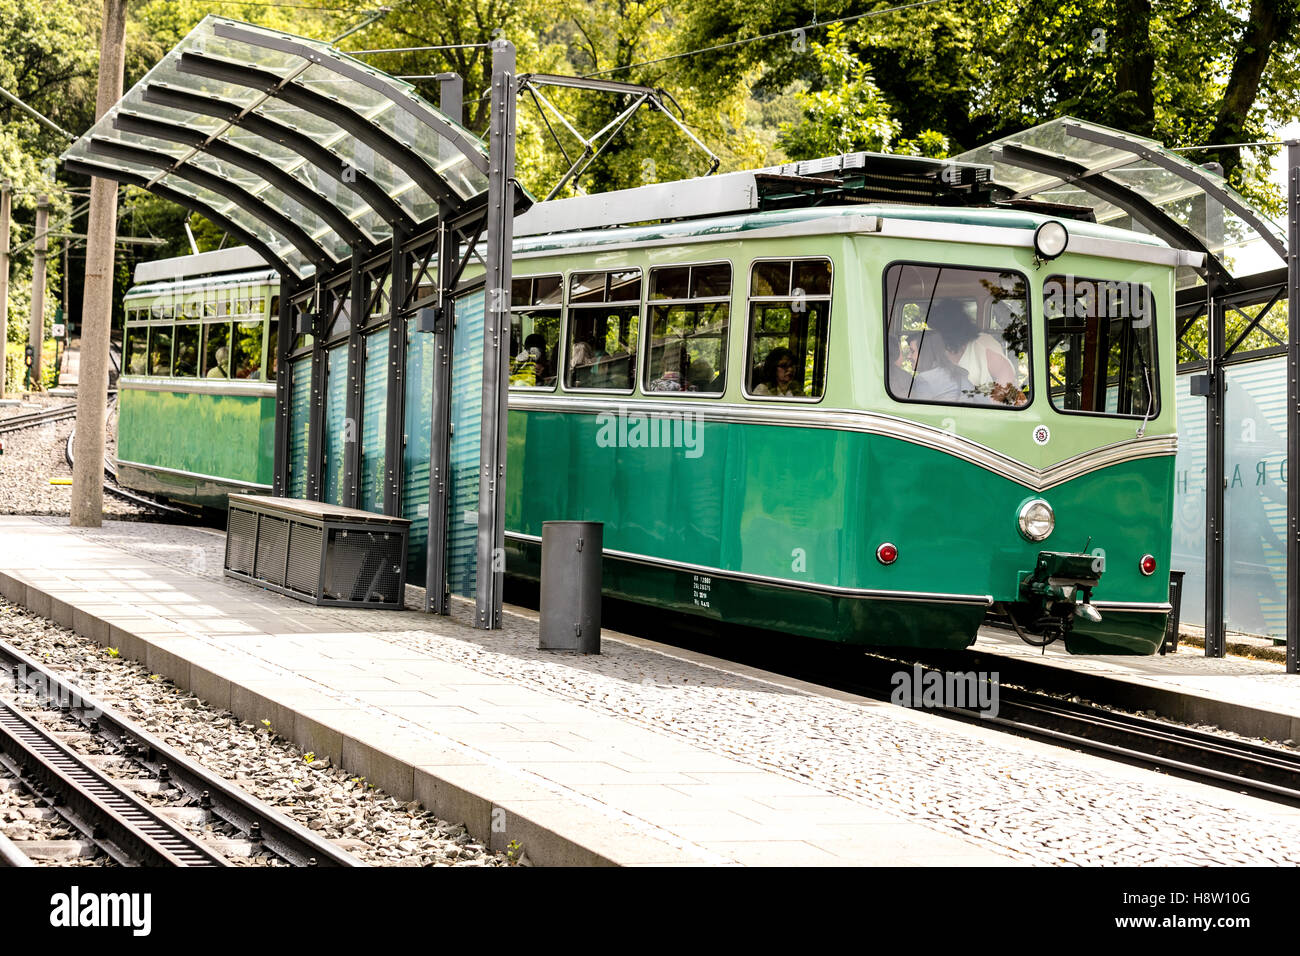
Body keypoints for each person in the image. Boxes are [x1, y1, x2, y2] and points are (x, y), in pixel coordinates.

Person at [925, 300, 1027, 406]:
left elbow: (1006, 383)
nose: (933, 336)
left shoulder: (983, 344)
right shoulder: (940, 349)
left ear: (949, 330)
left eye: (937, 331)